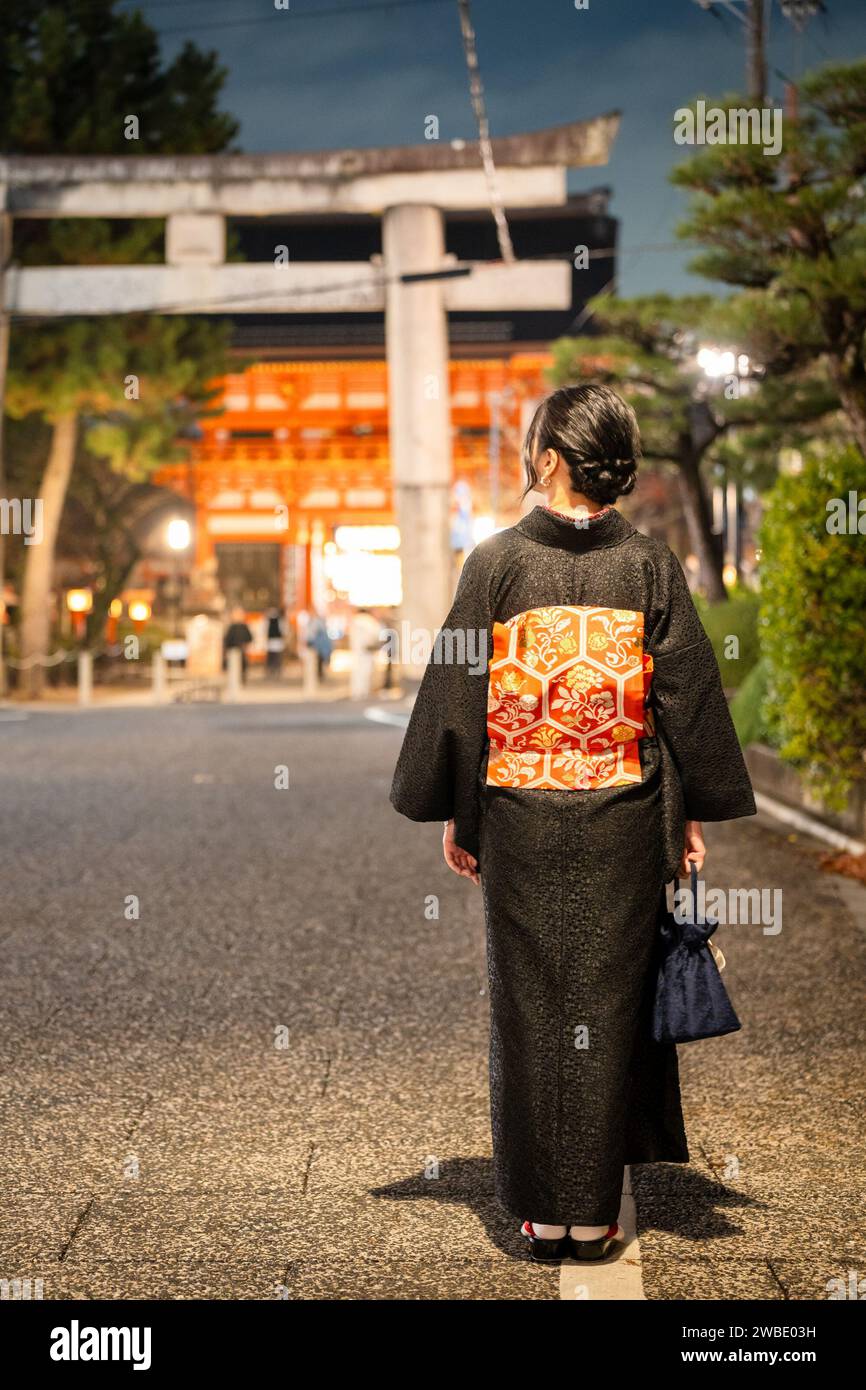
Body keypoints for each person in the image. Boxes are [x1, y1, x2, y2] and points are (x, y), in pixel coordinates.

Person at [390, 384, 756, 1265]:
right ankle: (592, 1214)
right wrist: (689, 817)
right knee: (609, 1007)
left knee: (529, 1009)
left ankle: (545, 1214)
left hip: (520, 812)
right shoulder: (648, 565)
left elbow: (458, 698)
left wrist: (456, 809)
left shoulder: (496, 564)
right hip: (622, 815)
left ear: (549, 456)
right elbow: (686, 700)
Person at [348, 607, 382, 700]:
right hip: (367, 650)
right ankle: (364, 692)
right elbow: (378, 633)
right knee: (366, 671)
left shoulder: (354, 621)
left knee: (357, 671)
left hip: (357, 650)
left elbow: (350, 636)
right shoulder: (369, 621)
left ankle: (356, 692)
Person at [223, 606, 253, 683]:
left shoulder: (244, 626)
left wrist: (245, 645)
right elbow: (227, 639)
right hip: (233, 651)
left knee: (242, 666)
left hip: (242, 651)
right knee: (233, 667)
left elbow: (249, 637)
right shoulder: (232, 627)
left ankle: (242, 679)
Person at [264, 608, 285, 678]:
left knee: (271, 658)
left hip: (271, 642)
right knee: (277, 658)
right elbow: (283, 630)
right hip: (278, 642)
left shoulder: (267, 620)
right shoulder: (280, 620)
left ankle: (271, 670)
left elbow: (264, 630)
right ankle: (276, 670)